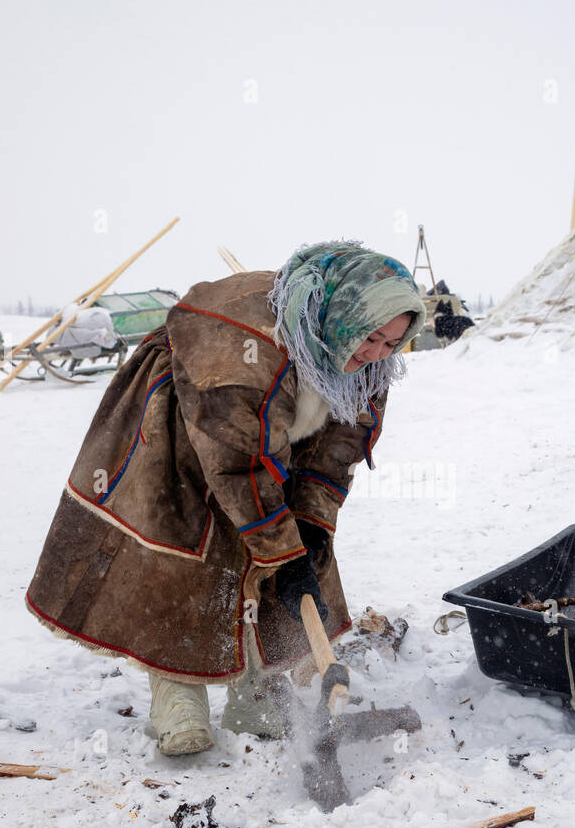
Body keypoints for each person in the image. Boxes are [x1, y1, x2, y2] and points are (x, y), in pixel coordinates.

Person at [26, 241, 426, 755]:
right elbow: (238, 463)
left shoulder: (368, 366)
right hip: (181, 427)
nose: (376, 353)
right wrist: (279, 547)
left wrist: (307, 527)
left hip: (271, 437)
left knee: (277, 551)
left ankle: (254, 686)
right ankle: (176, 696)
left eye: (393, 343)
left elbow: (337, 451)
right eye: (371, 337)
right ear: (346, 316)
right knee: (181, 552)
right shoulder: (247, 347)